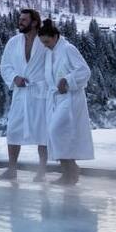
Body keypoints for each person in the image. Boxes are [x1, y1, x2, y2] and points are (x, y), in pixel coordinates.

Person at [38, 19, 94, 185]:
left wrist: (67, 80)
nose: (45, 45)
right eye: (43, 43)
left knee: (57, 132)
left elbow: (85, 71)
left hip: (70, 99)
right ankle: (68, 173)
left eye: (47, 41)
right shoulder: (50, 52)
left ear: (55, 36)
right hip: (55, 99)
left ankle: (73, 170)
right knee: (55, 134)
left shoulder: (69, 49)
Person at [0, 9, 49, 182]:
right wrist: (14, 78)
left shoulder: (44, 41)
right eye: (20, 19)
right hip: (21, 92)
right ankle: (12, 169)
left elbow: (56, 63)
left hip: (40, 92)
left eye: (24, 20)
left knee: (43, 132)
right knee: (14, 130)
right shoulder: (13, 42)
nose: (20, 22)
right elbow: (5, 65)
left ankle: (42, 170)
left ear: (34, 22)